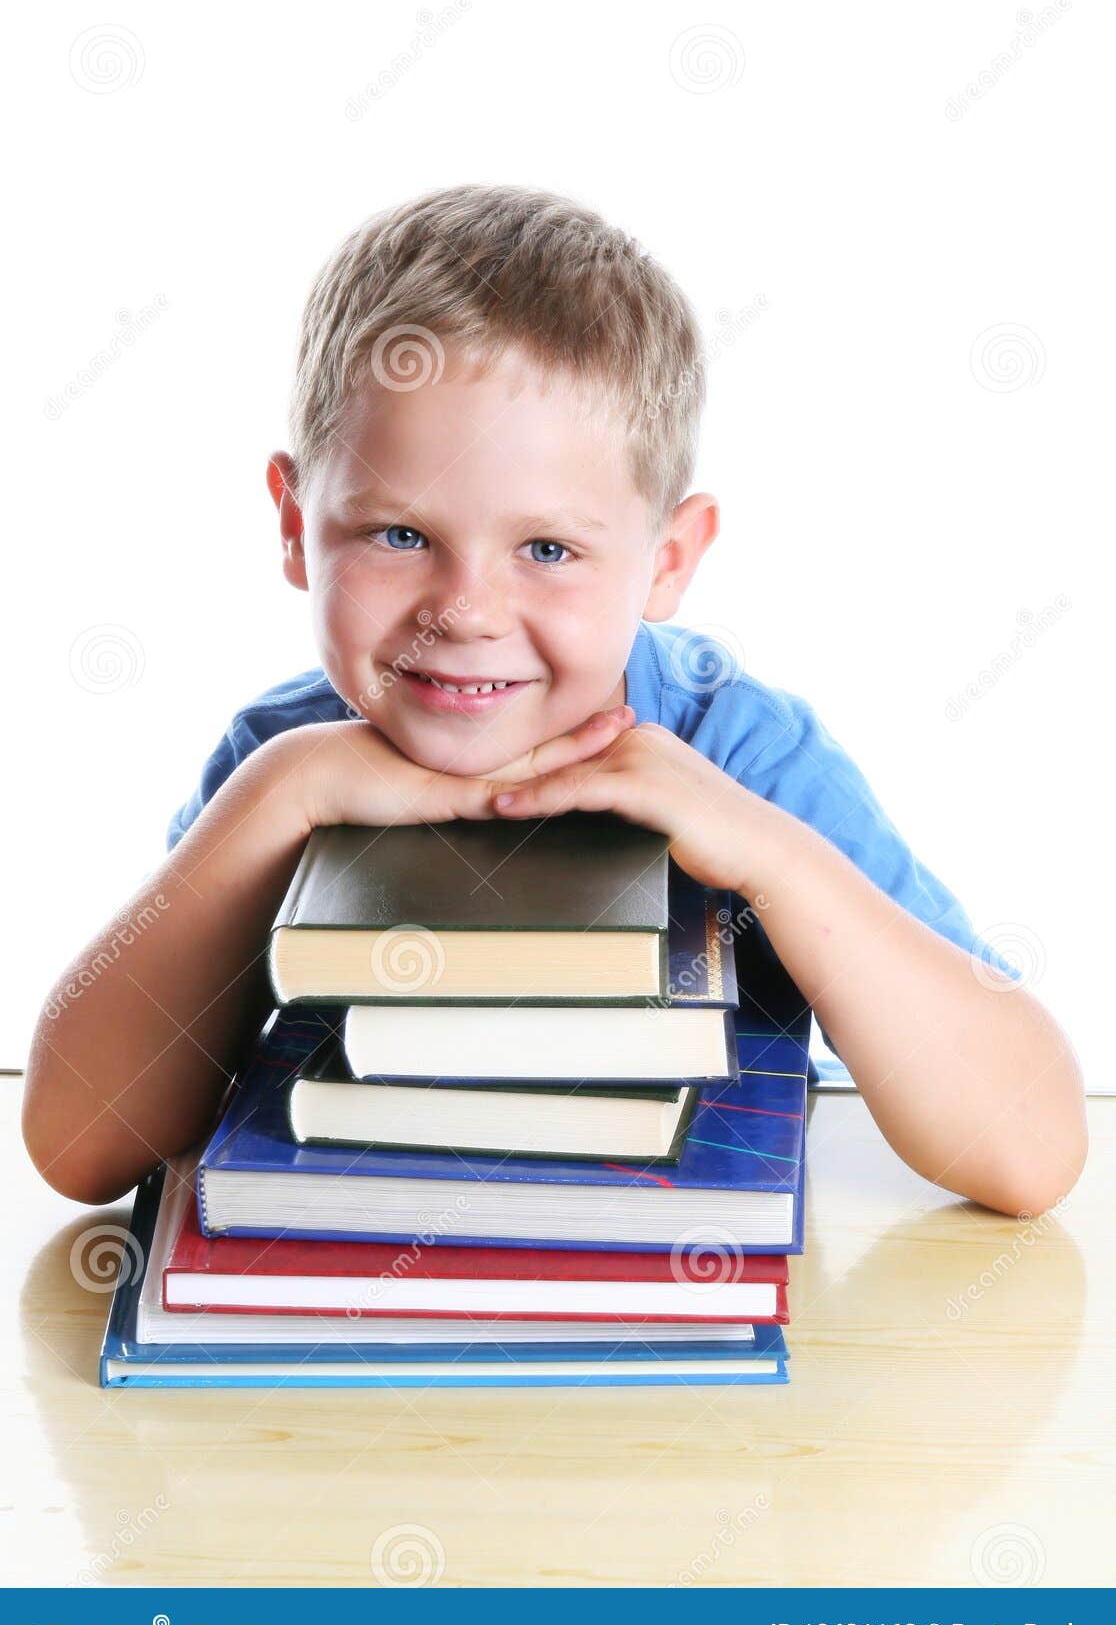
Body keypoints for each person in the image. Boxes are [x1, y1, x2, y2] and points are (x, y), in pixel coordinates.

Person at [21, 184, 1087, 1215]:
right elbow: (82, 1145)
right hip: (365, 1296)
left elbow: (1031, 1152)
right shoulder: (284, 757)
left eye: (546, 549)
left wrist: (769, 855)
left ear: (668, 559)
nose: (467, 612)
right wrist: (278, 798)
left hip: (678, 1290)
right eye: (400, 534)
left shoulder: (741, 751)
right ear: (298, 525)